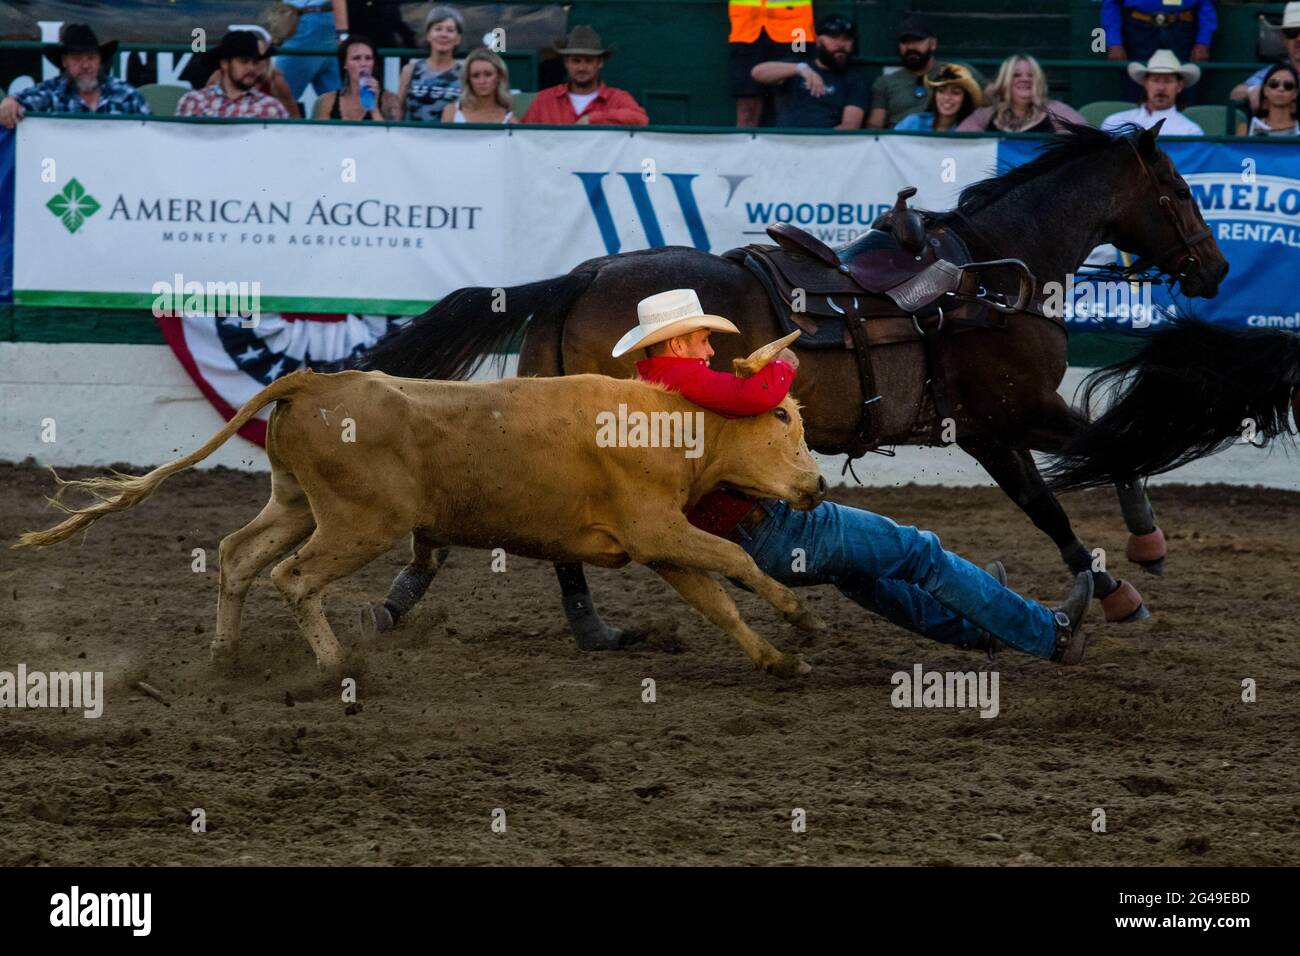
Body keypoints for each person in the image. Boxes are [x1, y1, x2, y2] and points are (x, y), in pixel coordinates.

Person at [609, 289, 1094, 665]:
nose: (711, 349)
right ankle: (1049, 633)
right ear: (675, 344)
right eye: (701, 338)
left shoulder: (643, 394)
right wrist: (782, 367)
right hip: (776, 528)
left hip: (752, 543)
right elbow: (755, 398)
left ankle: (984, 623)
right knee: (916, 550)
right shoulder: (681, 380)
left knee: (871, 577)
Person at [0, 23, 148, 128]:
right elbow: (18, 101)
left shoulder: (126, 94)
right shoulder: (51, 91)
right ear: (65, 61)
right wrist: (9, 102)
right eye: (77, 59)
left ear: (100, 60)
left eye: (91, 58)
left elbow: (151, 131)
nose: (85, 65)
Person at [750, 13, 866, 130]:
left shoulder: (854, 79)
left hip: (827, 143)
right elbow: (757, 73)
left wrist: (816, 143)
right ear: (818, 40)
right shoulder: (796, 66)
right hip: (785, 141)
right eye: (834, 38)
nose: (841, 44)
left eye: (846, 39)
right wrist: (800, 69)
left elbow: (850, 125)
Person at [867, 13, 985, 129]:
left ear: (933, 44)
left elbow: (995, 99)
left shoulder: (956, 72)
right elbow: (875, 128)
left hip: (952, 141)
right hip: (900, 142)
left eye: (917, 40)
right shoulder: (885, 82)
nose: (911, 47)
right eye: (905, 42)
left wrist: (972, 125)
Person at [522, 26, 648, 126]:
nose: (582, 68)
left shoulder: (617, 98)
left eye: (588, 61)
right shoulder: (544, 100)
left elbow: (641, 119)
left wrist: (592, 119)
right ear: (566, 63)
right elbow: (524, 136)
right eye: (576, 61)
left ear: (600, 63)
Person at [1103, 0, 1215, 102]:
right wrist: (1114, 42)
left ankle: (1185, 122)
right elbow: (1111, 3)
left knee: (1186, 84)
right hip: (1139, 29)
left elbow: (1206, 4)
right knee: (1136, 86)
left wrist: (1203, 41)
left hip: (1182, 29)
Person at [728, 0, 814, 127]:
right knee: (747, 104)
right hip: (746, 30)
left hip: (796, 30)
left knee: (796, 94)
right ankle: (745, 145)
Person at [957, 54, 1085, 133]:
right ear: (1004, 81)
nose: (1024, 79)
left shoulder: (1057, 110)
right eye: (1016, 75)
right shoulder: (986, 114)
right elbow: (958, 144)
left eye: (1031, 75)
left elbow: (1084, 140)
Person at [176, 31, 291, 119]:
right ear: (225, 64)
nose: (252, 68)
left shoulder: (271, 107)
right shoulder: (194, 101)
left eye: (256, 62)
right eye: (244, 61)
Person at [1101, 49, 1204, 134]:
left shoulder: (1190, 131)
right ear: (1145, 84)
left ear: (1179, 86)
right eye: (1155, 80)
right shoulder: (1114, 123)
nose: (1161, 88)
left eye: (1168, 81)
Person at [205, 35, 299, 118]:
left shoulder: (275, 81)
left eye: (258, 59)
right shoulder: (219, 77)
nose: (252, 65)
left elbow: (294, 116)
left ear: (267, 61)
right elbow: (206, 102)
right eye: (245, 59)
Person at [398, 5, 464, 123]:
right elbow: (398, 111)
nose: (443, 34)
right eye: (438, 29)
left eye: (450, 30)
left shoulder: (465, 74)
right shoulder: (410, 70)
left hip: (452, 139)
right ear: (428, 35)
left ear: (458, 38)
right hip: (414, 138)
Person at [1231, 2, 1300, 112]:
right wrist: (1252, 90)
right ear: (1284, 40)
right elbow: (1235, 93)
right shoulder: (1274, 71)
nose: (1298, 39)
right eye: (1292, 32)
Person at [314, 35, 400, 120]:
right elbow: (320, 132)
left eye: (368, 58)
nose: (363, 64)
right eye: (356, 58)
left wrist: (374, 110)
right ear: (345, 64)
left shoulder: (390, 100)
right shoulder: (327, 101)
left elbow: (391, 133)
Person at [275, 0, 349, 100]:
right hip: (318, 20)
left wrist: (343, 33)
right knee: (337, 102)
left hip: (310, 20)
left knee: (276, 93)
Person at [895, 63, 983, 131]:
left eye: (955, 93)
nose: (947, 98)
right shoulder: (913, 122)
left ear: (965, 99)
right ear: (934, 96)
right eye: (941, 91)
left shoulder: (969, 130)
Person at [442, 48, 514, 124]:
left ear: (499, 76)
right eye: (475, 76)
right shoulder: (451, 112)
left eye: (488, 74)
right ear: (468, 79)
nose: (482, 81)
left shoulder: (509, 119)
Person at [1237, 62, 1300, 135]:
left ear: (1295, 93)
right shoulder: (1246, 128)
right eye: (1274, 84)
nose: (1281, 89)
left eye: (1288, 85)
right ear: (1265, 90)